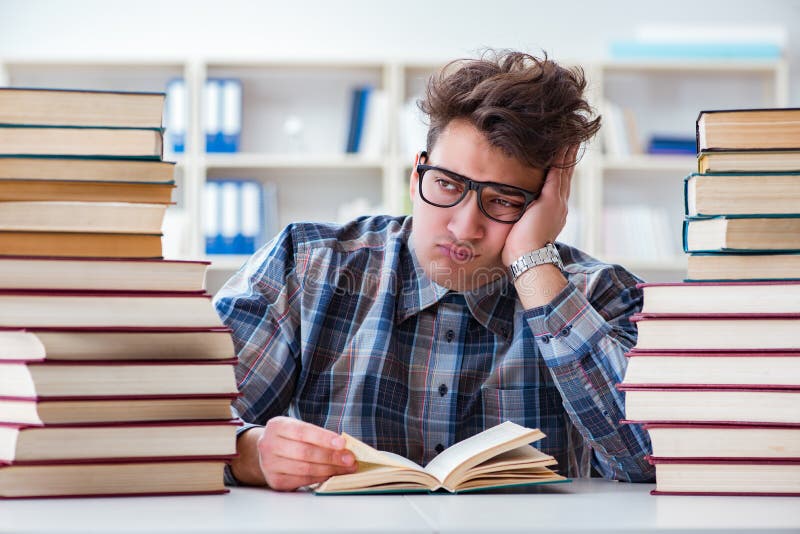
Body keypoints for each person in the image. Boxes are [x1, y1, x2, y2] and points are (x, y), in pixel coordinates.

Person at [214, 50, 654, 491]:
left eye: (503, 200)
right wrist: (253, 453)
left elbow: (650, 459)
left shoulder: (599, 294)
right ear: (415, 176)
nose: (464, 227)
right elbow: (184, 423)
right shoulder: (307, 263)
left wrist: (534, 263)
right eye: (447, 183)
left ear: (546, 206)